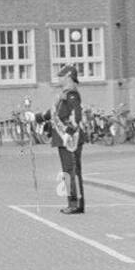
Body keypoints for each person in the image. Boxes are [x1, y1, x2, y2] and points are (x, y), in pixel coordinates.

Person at [39, 65, 85, 214]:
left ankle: (75, 204)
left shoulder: (72, 94)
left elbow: (76, 116)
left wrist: (69, 132)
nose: (59, 78)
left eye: (61, 76)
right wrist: (35, 117)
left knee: (71, 171)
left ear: (69, 77)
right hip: (64, 138)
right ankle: (73, 202)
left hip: (70, 139)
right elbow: (54, 113)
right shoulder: (63, 94)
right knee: (68, 171)